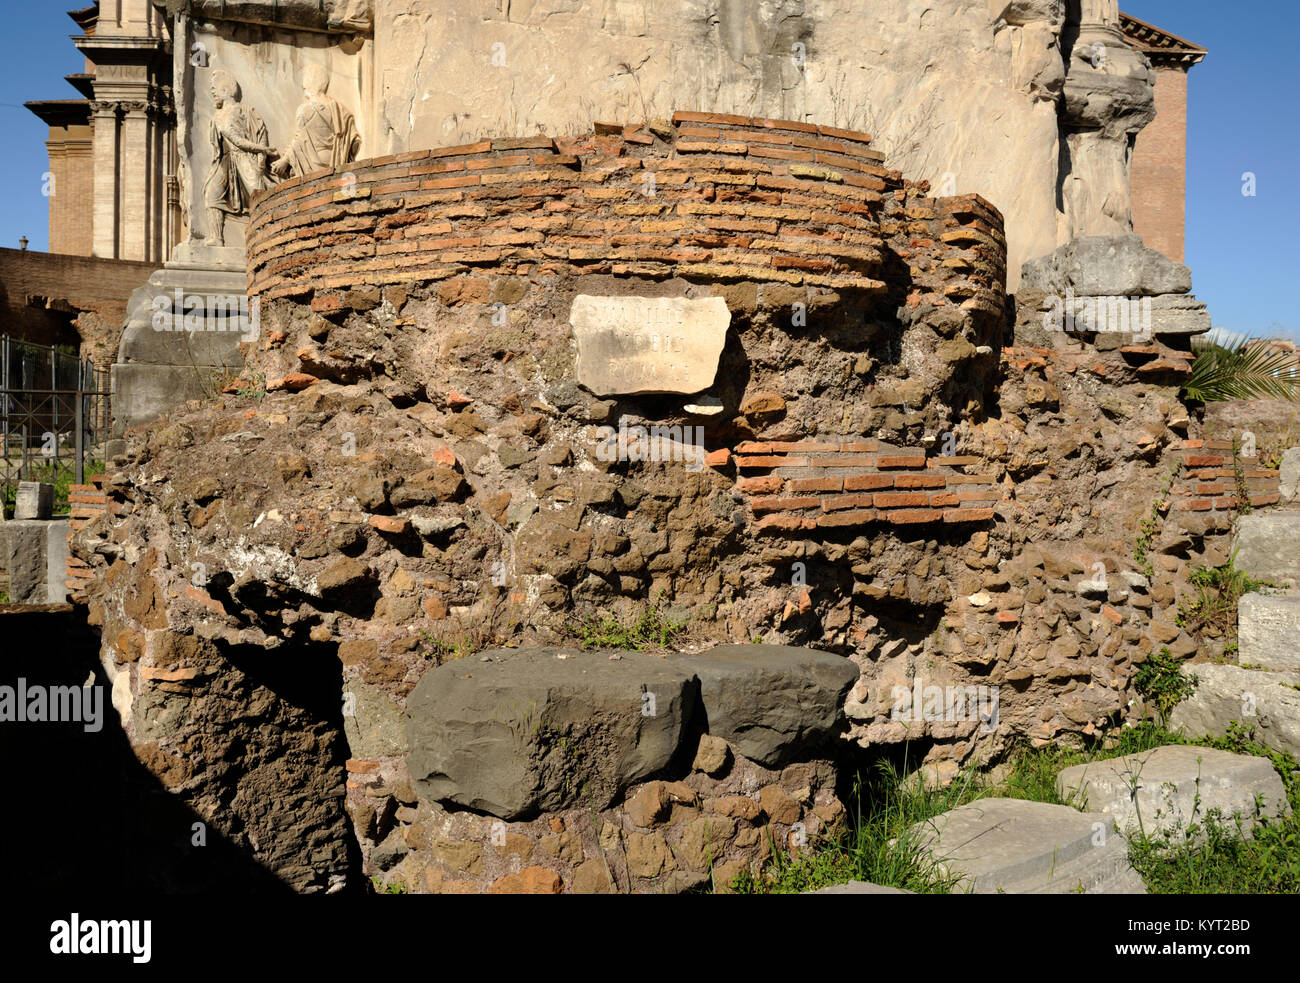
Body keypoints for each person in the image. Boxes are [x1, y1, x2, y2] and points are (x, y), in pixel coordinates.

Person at [202, 70, 276, 246]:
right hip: (226, 161)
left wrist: (261, 159)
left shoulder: (246, 110)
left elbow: (260, 132)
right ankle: (217, 237)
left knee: (258, 195)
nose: (212, 92)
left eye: (214, 88)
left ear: (226, 89)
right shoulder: (217, 117)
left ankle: (269, 233)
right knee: (212, 193)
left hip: (245, 159)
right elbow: (234, 140)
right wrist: (263, 149)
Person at [272, 64, 361, 180]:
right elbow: (355, 143)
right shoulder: (341, 110)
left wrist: (284, 161)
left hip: (313, 164)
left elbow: (300, 140)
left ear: (309, 83)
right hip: (335, 162)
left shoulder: (305, 110)